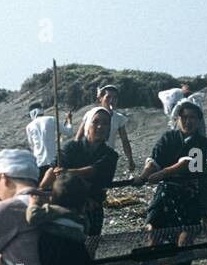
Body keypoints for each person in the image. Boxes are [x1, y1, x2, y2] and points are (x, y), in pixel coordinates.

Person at [132, 96, 207, 265]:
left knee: (186, 242)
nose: (188, 121)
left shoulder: (203, 143)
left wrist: (161, 174)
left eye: (193, 117)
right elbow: (154, 160)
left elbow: (189, 165)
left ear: (199, 120)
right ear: (178, 119)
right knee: (153, 241)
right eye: (184, 117)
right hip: (166, 194)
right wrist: (144, 175)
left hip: (189, 196)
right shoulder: (168, 138)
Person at [44, 106, 119, 242]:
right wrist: (39, 190)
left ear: (109, 129)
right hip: (64, 207)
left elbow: (93, 171)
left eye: (105, 123)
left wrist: (67, 173)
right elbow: (53, 169)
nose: (100, 127)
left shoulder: (110, 155)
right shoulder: (71, 147)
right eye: (96, 122)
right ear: (88, 124)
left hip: (91, 209)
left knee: (89, 249)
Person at [76, 84, 136, 172]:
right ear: (101, 98)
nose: (111, 100)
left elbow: (125, 140)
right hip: (87, 155)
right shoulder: (91, 114)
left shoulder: (119, 118)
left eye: (114, 98)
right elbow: (79, 136)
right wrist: (74, 155)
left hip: (105, 158)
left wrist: (130, 159)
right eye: (108, 97)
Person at [25, 106, 63, 180]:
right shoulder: (51, 119)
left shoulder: (29, 127)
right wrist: (69, 121)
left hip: (39, 162)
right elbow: (69, 132)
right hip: (54, 160)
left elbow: (32, 146)